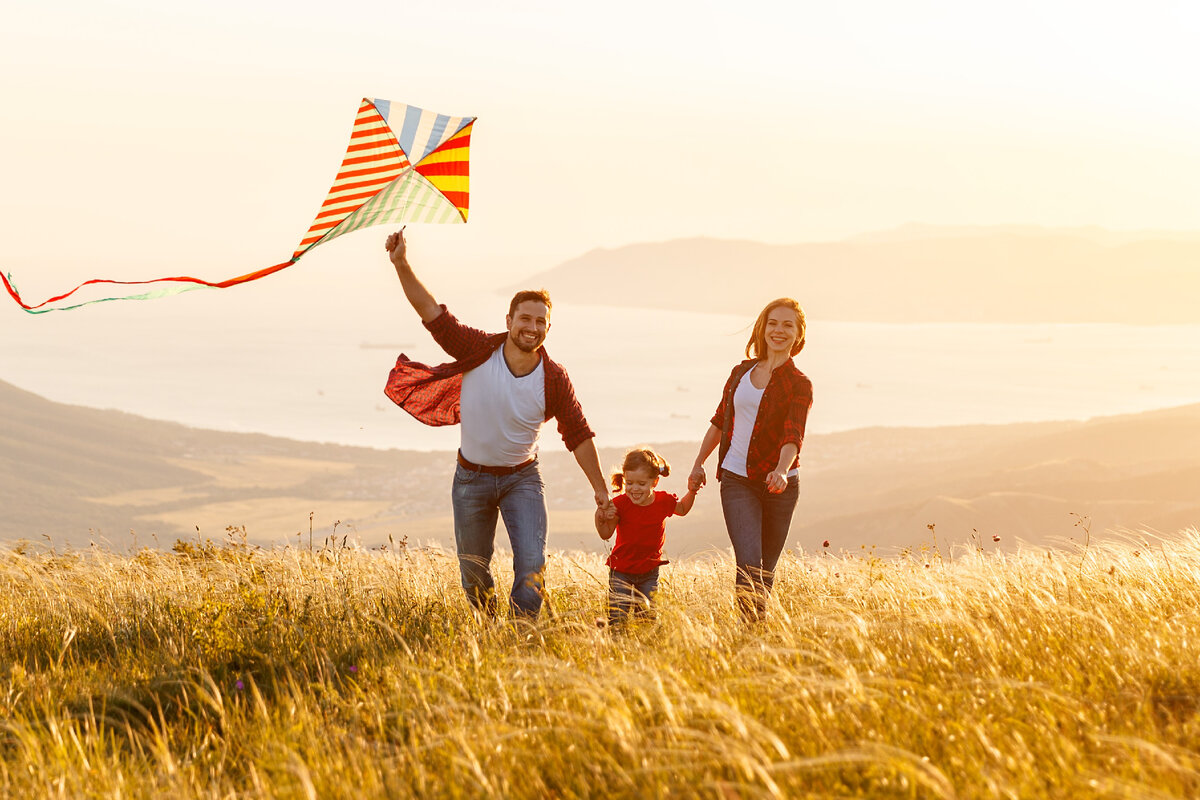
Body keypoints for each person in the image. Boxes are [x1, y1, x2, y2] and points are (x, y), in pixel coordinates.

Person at [382, 229, 612, 619]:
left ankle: (522, 633)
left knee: (532, 566)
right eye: (525, 318)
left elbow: (579, 435)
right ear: (509, 320)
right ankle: (488, 629)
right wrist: (401, 263)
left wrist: (602, 493)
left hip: (522, 479)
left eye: (541, 322)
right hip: (470, 479)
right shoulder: (478, 349)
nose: (532, 327)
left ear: (548, 328)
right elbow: (432, 314)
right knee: (473, 570)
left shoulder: (553, 377)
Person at [688, 298, 812, 621]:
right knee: (748, 564)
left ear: (798, 334)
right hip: (736, 481)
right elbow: (719, 420)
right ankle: (752, 634)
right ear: (763, 327)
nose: (779, 330)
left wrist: (782, 471)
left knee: (765, 573)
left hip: (780, 488)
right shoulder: (740, 372)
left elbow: (793, 433)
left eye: (788, 325)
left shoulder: (800, 384)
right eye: (773, 323)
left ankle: (753, 636)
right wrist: (699, 462)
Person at [595, 447, 696, 625]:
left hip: (649, 571)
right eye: (629, 483)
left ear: (654, 482)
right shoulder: (619, 504)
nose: (634, 489)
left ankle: (643, 649)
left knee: (647, 618)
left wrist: (692, 491)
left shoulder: (663, 501)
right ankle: (618, 647)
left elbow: (682, 509)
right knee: (617, 618)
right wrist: (599, 516)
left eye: (641, 484)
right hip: (621, 571)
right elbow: (605, 534)